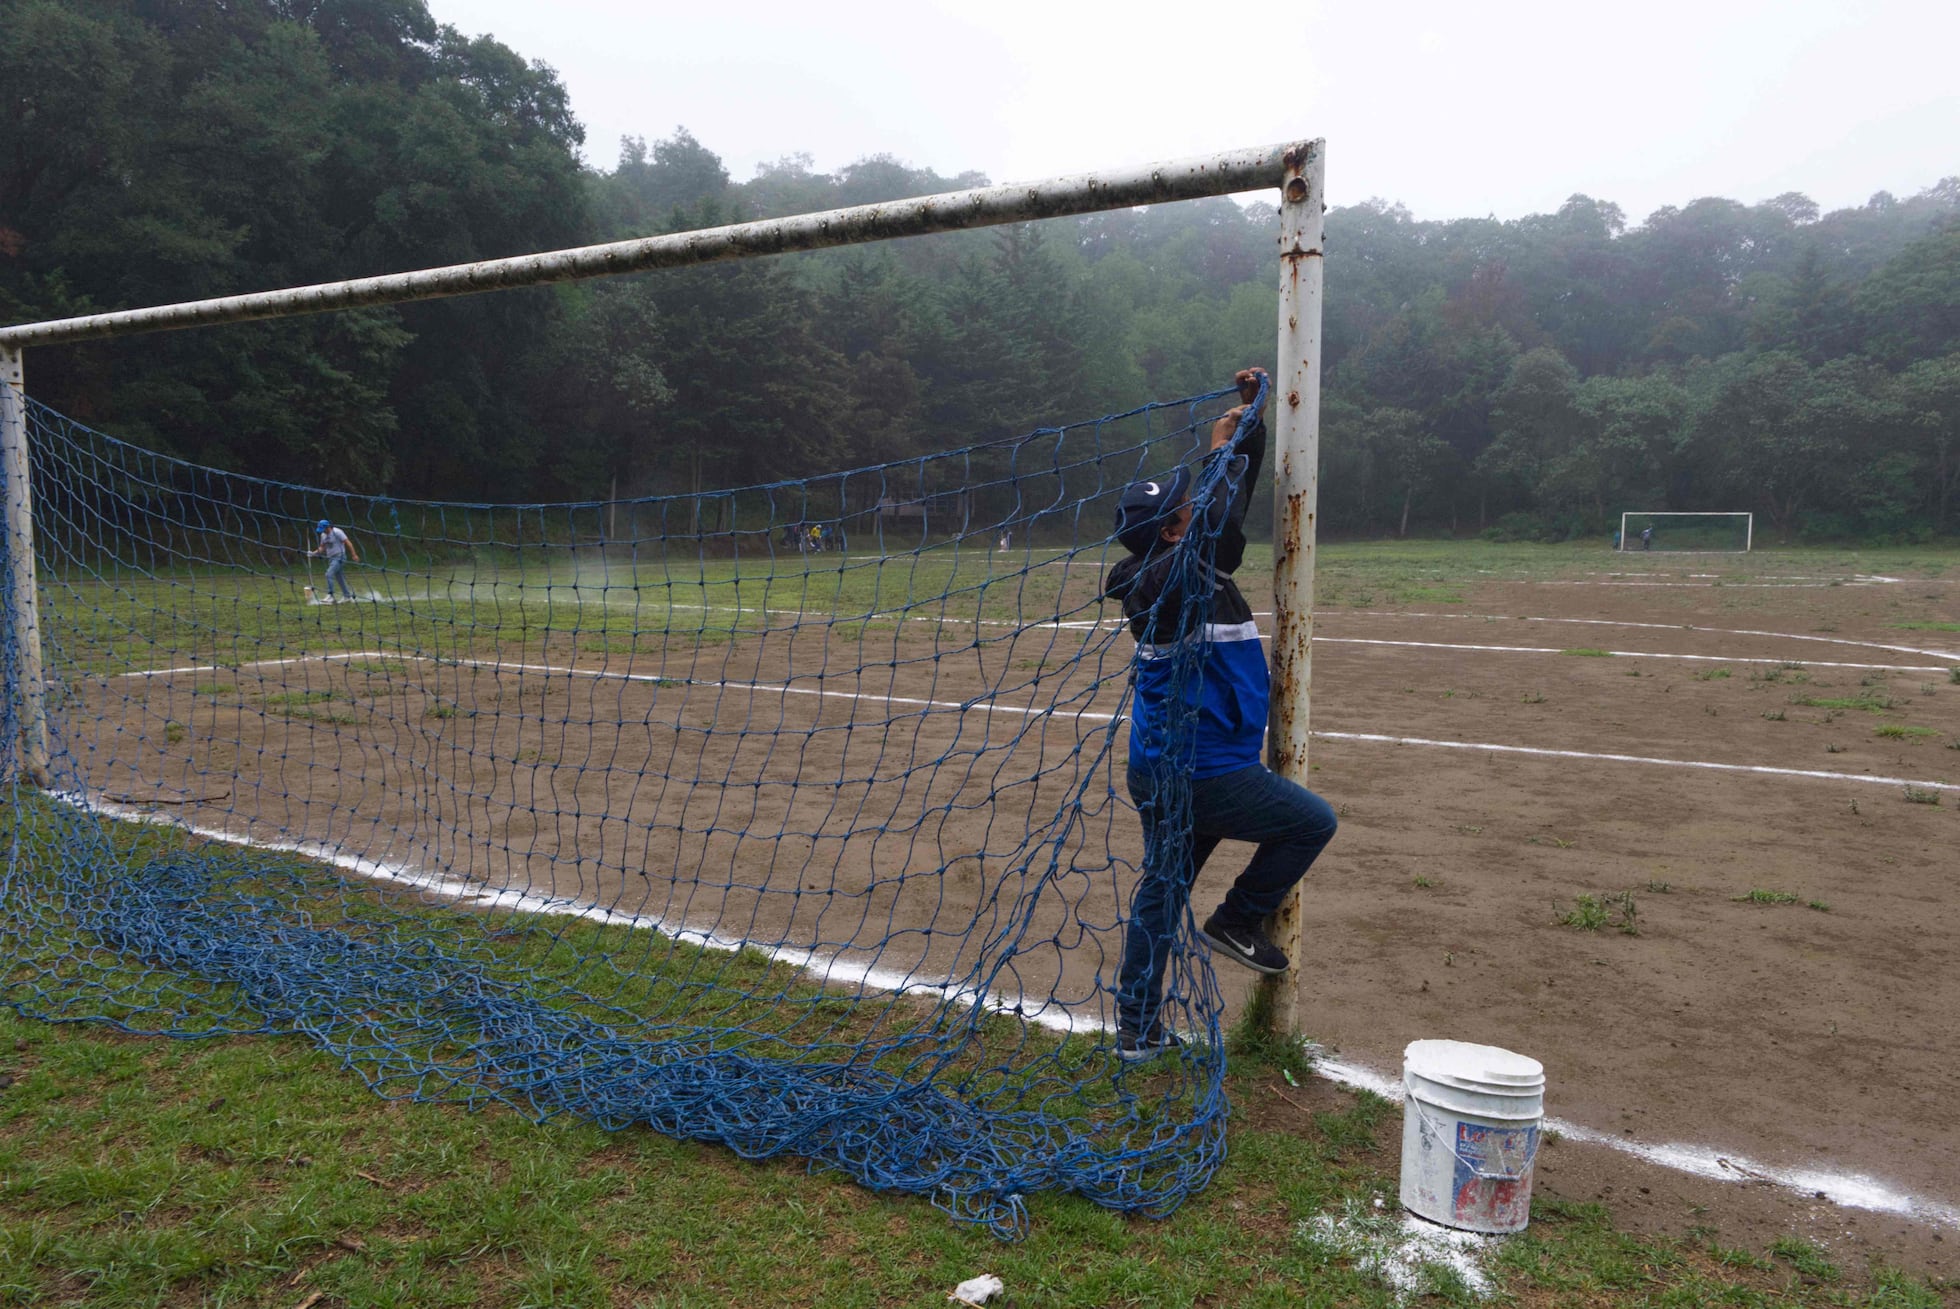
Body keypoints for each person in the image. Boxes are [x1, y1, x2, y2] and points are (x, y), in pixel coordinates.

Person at [1101, 368, 1339, 1061]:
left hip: (1171, 767)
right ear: (1173, 528)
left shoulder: (1193, 562)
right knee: (1312, 822)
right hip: (1202, 773)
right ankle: (1235, 919)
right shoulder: (1162, 583)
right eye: (1185, 507)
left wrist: (1249, 427)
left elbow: (1225, 510)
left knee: (1162, 888)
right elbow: (1213, 513)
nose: (1196, 506)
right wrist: (1216, 453)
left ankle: (1136, 1029)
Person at [309, 518, 360, 601]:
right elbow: (322, 547)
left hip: (340, 557)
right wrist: (313, 553)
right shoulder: (323, 535)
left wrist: (354, 554)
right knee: (339, 577)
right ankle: (347, 596)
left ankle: (331, 595)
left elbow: (348, 543)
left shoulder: (337, 532)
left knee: (329, 574)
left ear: (327, 527)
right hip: (331, 559)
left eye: (323, 529)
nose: (322, 531)